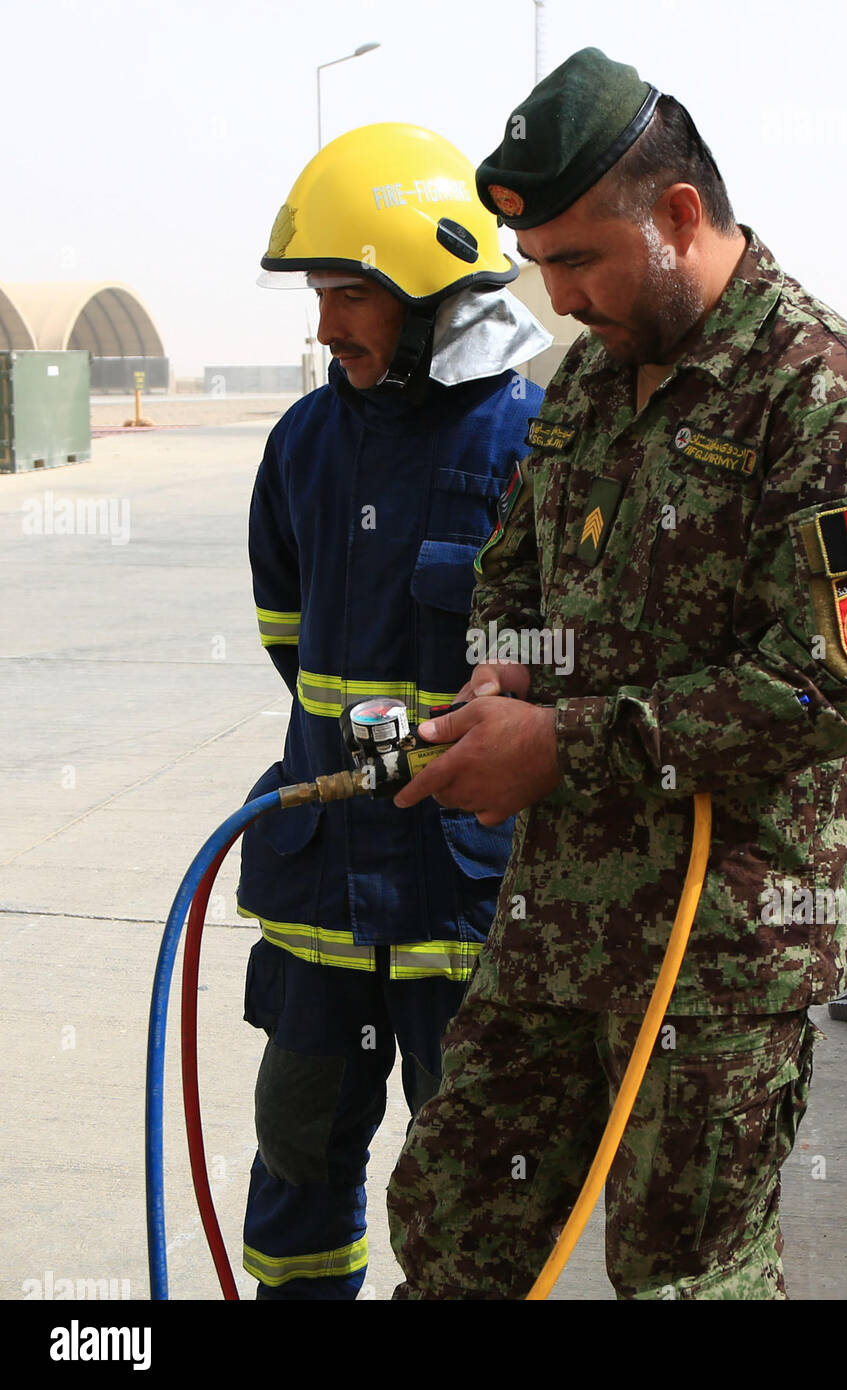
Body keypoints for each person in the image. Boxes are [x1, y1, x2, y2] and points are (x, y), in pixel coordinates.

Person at [385, 49, 847, 1299]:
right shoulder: (585, 381)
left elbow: (823, 687)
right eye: (542, 264)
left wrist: (564, 747)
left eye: (579, 258)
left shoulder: (832, 397)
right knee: (455, 1228)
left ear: (677, 215)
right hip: (552, 921)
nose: (559, 295)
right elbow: (510, 570)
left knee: (689, 1275)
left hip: (720, 949)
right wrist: (504, 679)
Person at [238, 122, 547, 1299]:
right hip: (321, 896)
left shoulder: (530, 444)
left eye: (349, 291)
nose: (326, 328)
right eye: (319, 292)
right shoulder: (305, 442)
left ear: (433, 291)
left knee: (473, 1186)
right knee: (298, 1155)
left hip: (461, 902)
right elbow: (284, 631)